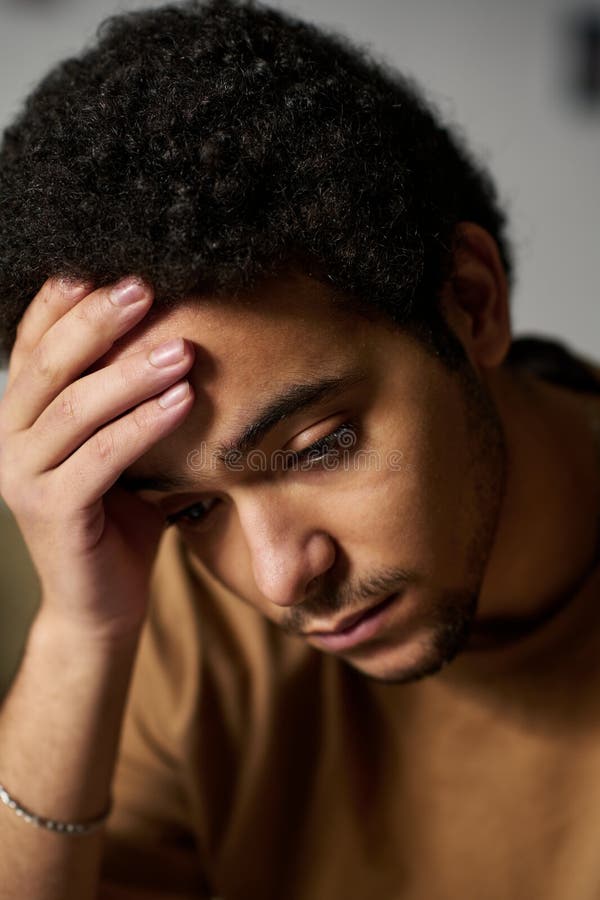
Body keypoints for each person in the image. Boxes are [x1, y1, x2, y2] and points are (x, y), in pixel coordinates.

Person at [0, 0, 599, 897]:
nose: (281, 579)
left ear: (470, 302)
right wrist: (81, 633)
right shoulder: (180, 628)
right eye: (193, 507)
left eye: (318, 446)